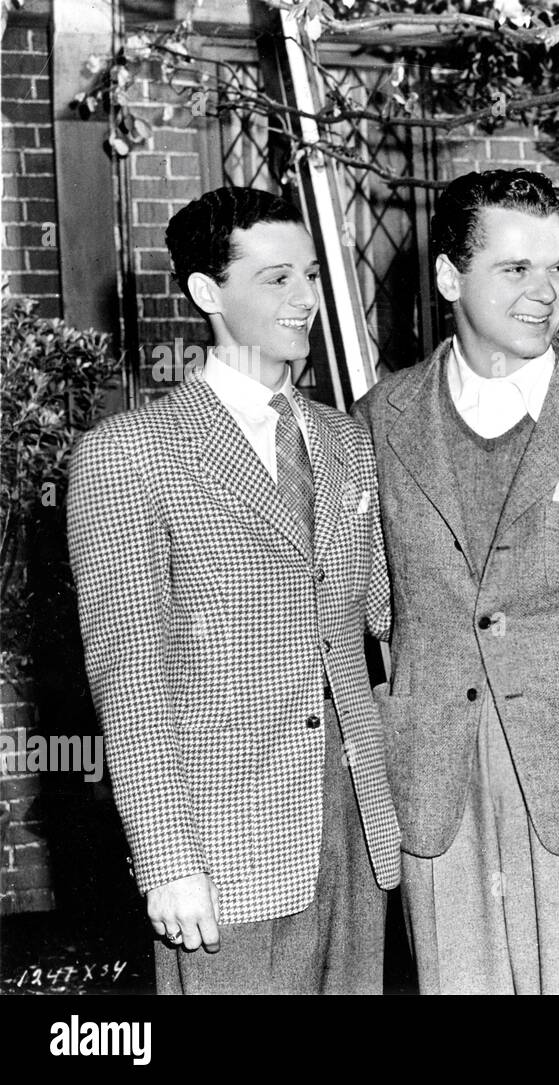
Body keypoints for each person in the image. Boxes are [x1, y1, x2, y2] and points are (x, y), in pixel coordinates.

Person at [67, 186, 401, 994]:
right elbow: (130, 675)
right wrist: (167, 856)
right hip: (222, 842)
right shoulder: (130, 454)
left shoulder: (344, 439)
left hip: (353, 824)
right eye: (276, 278)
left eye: (313, 276)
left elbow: (385, 622)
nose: (306, 300)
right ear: (206, 293)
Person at [352, 169, 559, 995]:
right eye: (515, 269)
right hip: (437, 782)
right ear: (452, 277)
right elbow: (372, 602)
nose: (545, 293)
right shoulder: (381, 416)